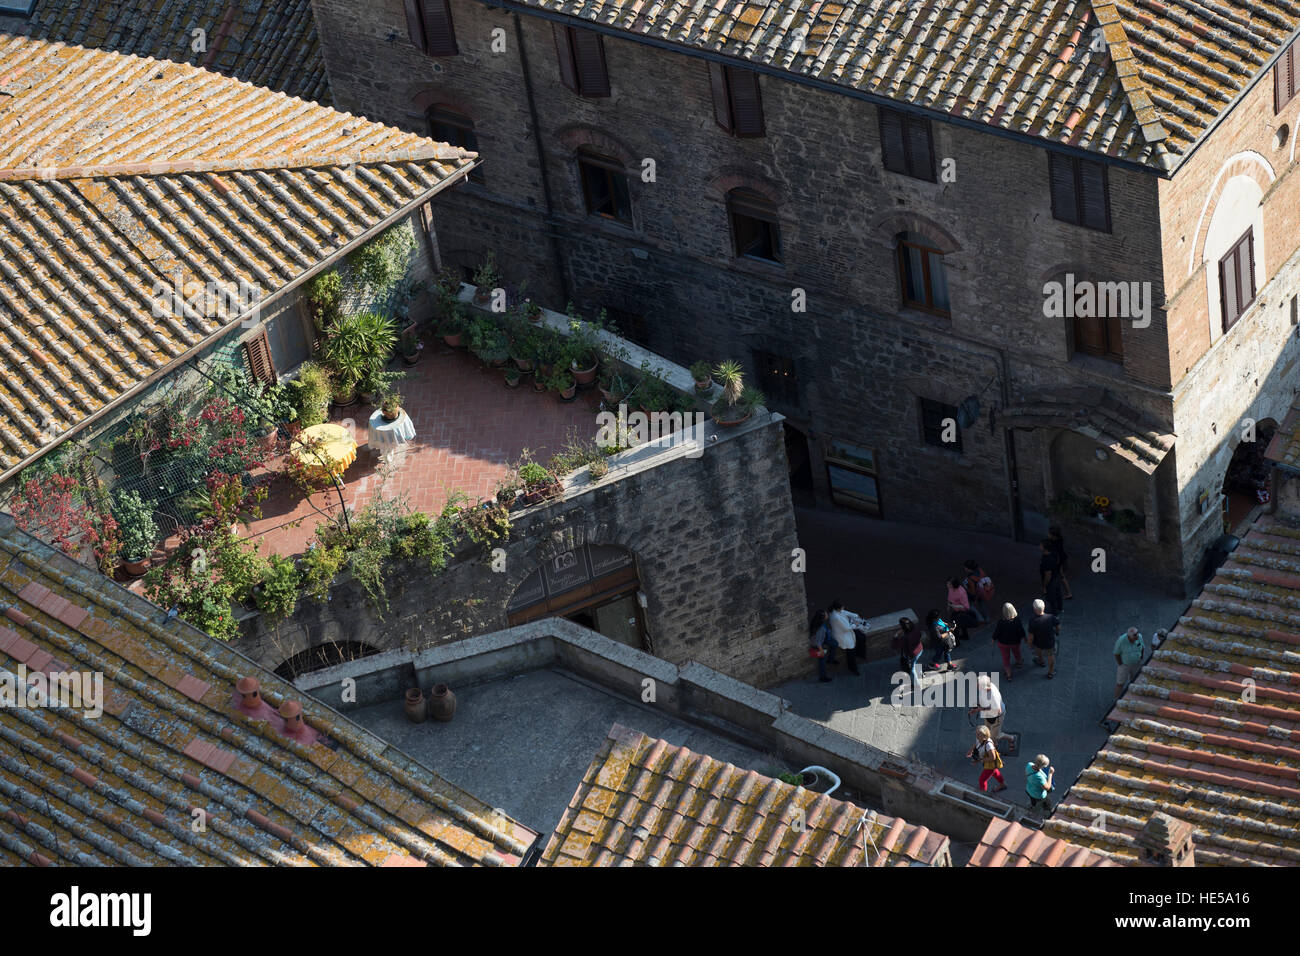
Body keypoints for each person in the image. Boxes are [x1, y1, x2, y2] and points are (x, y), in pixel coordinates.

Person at [968, 673, 1008, 743]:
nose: (976, 686)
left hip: (997, 717)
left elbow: (998, 710)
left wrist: (979, 709)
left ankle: (1011, 738)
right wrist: (977, 706)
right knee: (987, 732)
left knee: (995, 736)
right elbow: (982, 699)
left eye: (978, 685)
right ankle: (991, 744)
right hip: (988, 715)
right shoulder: (985, 687)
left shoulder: (993, 696)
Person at [827, 600, 864, 675]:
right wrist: (855, 624)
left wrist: (856, 616)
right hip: (843, 636)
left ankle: (857, 657)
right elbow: (846, 628)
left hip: (845, 633)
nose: (843, 608)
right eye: (842, 607)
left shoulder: (836, 611)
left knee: (861, 638)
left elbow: (845, 612)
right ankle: (853, 668)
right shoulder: (836, 617)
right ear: (838, 608)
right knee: (850, 651)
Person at [967, 724, 1007, 793]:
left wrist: (979, 760)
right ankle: (1003, 784)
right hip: (988, 763)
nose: (977, 736)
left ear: (984, 735)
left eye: (979, 734)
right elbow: (976, 743)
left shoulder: (988, 745)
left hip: (989, 763)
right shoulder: (979, 738)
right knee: (995, 772)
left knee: (982, 780)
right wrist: (970, 751)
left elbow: (993, 757)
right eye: (976, 733)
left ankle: (983, 794)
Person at [1027, 598, 1060, 678]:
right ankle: (1051, 672)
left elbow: (1031, 636)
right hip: (1049, 641)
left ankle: (1041, 661)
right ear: (1044, 607)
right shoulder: (1051, 617)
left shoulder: (1032, 620)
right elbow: (1058, 626)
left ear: (1034, 609)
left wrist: (1030, 644)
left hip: (1038, 641)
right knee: (1050, 655)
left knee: (1038, 651)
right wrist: (1057, 632)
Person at [991, 603, 1025, 679]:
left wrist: (993, 639)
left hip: (1003, 643)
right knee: (1017, 652)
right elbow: (1021, 631)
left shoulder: (1001, 622)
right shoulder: (1017, 620)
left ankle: (1008, 674)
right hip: (1015, 642)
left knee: (1005, 657)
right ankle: (1019, 662)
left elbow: (997, 632)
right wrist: (1024, 638)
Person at [894, 616, 925, 699]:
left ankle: (916, 685)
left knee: (912, 669)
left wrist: (896, 636)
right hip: (920, 649)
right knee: (916, 662)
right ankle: (921, 674)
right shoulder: (916, 629)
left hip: (911, 654)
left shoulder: (905, 638)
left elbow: (896, 646)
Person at [1113, 626, 1145, 699]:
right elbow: (1116, 653)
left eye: (1137, 633)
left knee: (1135, 680)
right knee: (1120, 683)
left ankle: (1133, 696)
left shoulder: (1139, 637)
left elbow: (1142, 647)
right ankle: (1117, 699)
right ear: (1129, 636)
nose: (1137, 635)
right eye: (1134, 635)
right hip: (1125, 665)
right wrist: (1121, 664)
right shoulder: (1121, 641)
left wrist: (1141, 657)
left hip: (1136, 663)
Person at [962, 559, 994, 626]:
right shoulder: (980, 570)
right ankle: (987, 618)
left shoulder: (970, 578)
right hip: (985, 591)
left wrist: (966, 588)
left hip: (978, 594)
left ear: (969, 569)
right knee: (982, 604)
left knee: (968, 604)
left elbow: (972, 592)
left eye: (965, 567)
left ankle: (980, 618)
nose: (964, 569)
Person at [946, 577, 976, 643]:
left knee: (955, 625)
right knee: (961, 623)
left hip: (961, 610)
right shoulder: (950, 589)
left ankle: (956, 642)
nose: (947, 585)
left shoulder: (961, 592)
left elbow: (966, 606)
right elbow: (950, 597)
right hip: (956, 610)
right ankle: (965, 636)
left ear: (953, 585)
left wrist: (954, 606)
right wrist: (949, 605)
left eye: (949, 584)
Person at [1039, 539, 1064, 615]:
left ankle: (1054, 613)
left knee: (1051, 597)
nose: (1039, 546)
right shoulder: (1054, 553)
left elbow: (1048, 574)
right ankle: (1060, 608)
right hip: (1057, 576)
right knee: (1058, 593)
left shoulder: (1046, 559)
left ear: (1044, 548)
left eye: (1041, 545)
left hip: (1051, 581)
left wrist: (1044, 585)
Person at [1047, 525, 1073, 600]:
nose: (1047, 534)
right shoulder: (1058, 540)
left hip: (1059, 562)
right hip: (1061, 560)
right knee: (1058, 577)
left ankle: (1068, 593)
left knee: (1061, 577)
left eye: (1049, 534)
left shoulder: (1056, 544)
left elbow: (1058, 556)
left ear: (1053, 535)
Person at [809, 609, 833, 682]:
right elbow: (818, 642)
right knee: (822, 661)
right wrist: (821, 650)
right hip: (818, 646)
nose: (827, 614)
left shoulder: (815, 623)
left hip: (815, 643)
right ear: (823, 617)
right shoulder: (821, 628)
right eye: (826, 614)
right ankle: (823, 677)